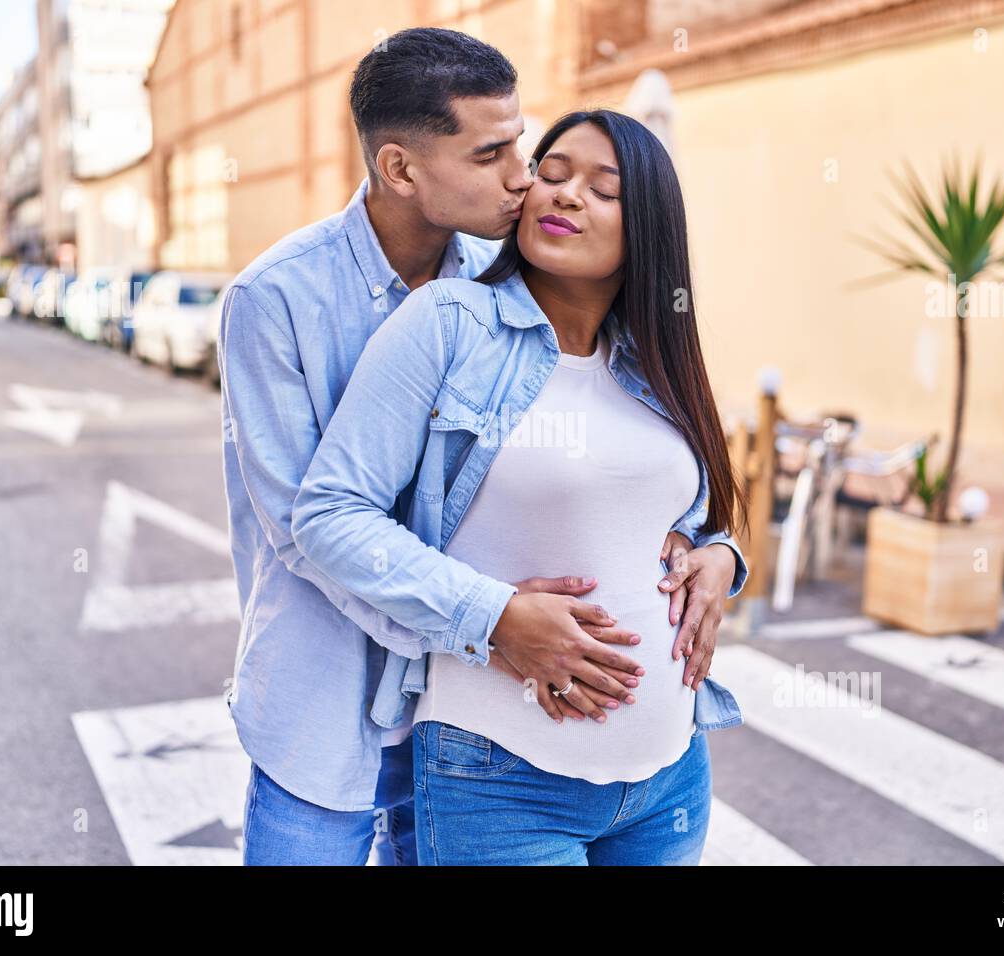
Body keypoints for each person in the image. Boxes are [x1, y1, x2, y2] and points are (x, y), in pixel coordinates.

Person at [219, 28, 739, 865]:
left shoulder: (517, 276)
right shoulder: (277, 299)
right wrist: (490, 622)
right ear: (400, 170)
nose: (527, 180)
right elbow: (303, 527)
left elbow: (636, 467)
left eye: (523, 148)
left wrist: (716, 551)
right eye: (494, 154)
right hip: (332, 698)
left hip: (489, 715)